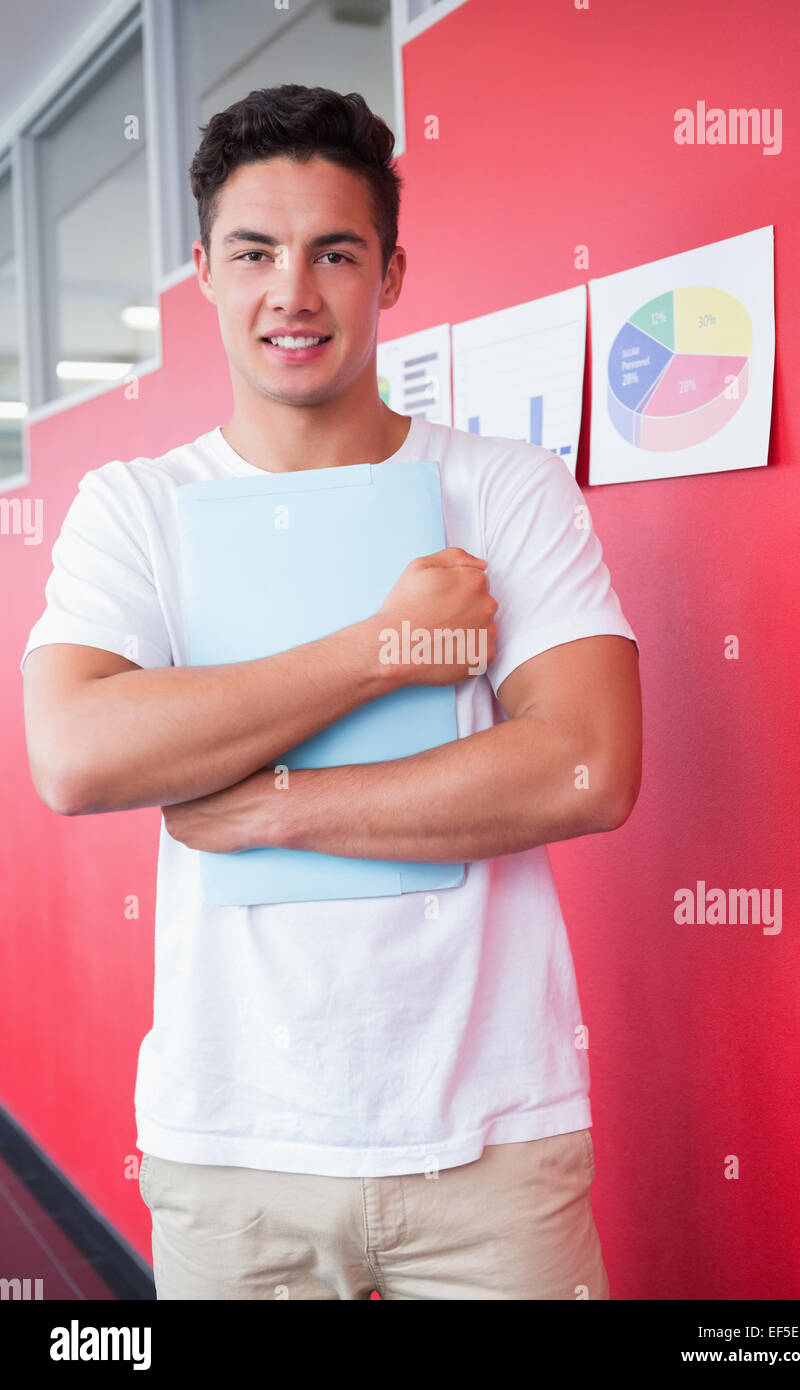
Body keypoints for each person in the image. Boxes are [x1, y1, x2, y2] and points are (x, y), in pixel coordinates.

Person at [21, 84, 642, 1300]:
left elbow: (588, 766)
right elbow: (76, 754)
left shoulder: (504, 487)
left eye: (334, 253)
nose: (292, 292)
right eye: (254, 252)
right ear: (204, 271)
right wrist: (383, 647)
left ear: (390, 274)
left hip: (491, 1140)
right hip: (233, 1145)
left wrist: (269, 804)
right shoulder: (135, 506)